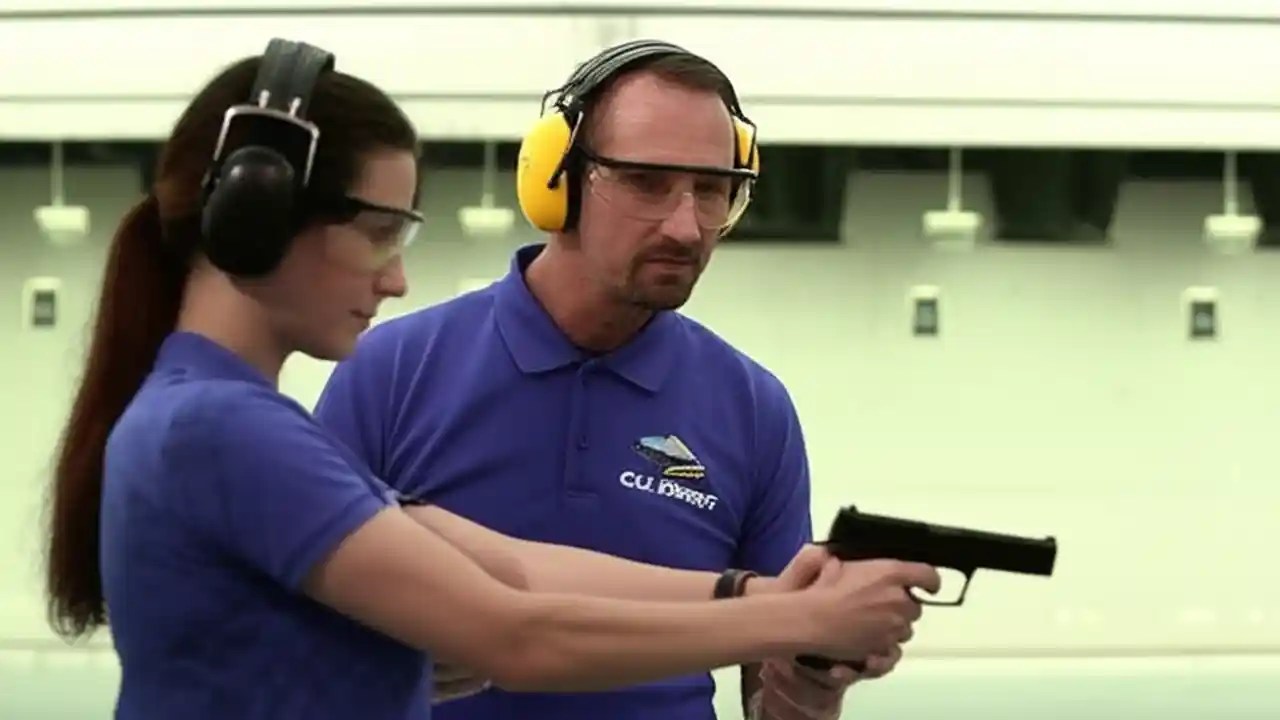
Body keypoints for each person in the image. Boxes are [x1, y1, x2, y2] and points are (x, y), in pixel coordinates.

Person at [39, 39, 939, 720]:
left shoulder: (225, 416)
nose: (395, 278)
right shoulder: (223, 429)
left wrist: (760, 597)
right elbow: (521, 633)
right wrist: (800, 620)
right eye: (382, 232)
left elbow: (511, 568)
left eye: (712, 192)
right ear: (256, 217)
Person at [312, 40, 916, 720]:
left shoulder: (754, 408)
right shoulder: (389, 373)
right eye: (647, 182)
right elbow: (310, 646)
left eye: (712, 190)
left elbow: (769, 689)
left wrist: (815, 681)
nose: (687, 227)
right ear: (557, 180)